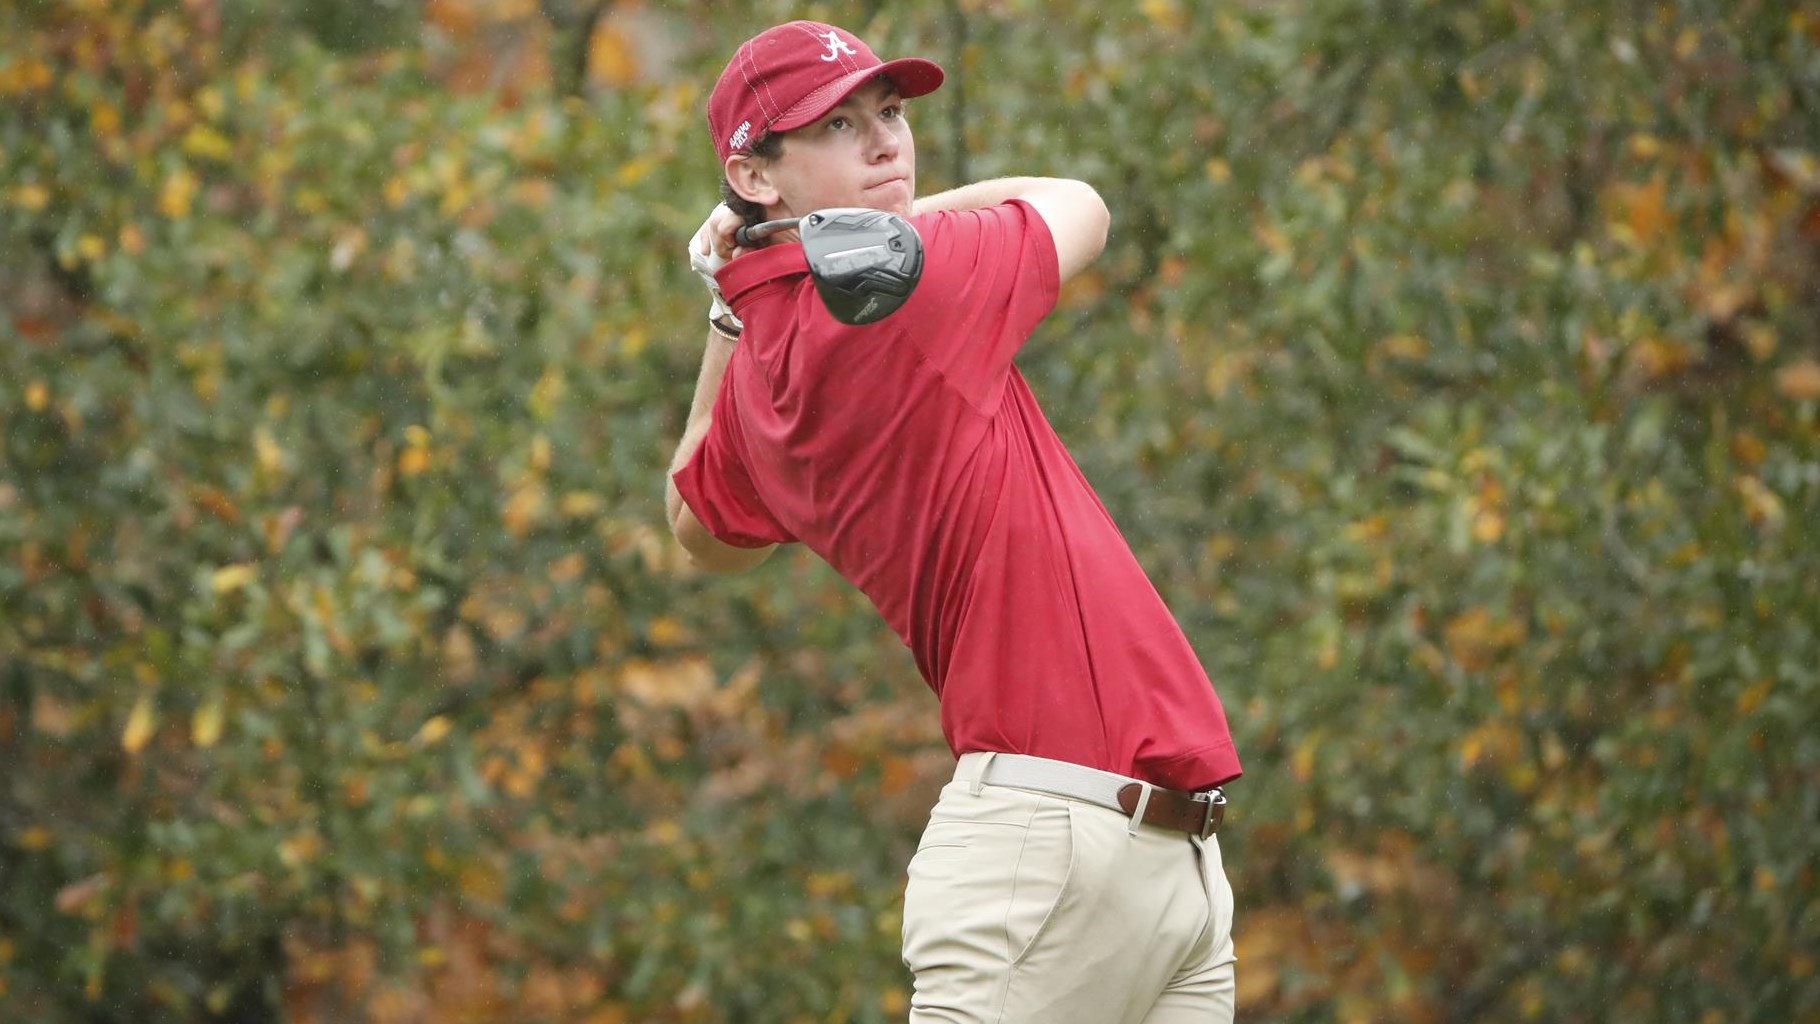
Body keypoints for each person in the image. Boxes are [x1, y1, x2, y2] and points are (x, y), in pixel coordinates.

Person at [665, 20, 1242, 1024]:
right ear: (753, 176)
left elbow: (693, 524)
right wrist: (865, 232)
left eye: (888, 113)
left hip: (1157, 870)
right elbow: (1075, 204)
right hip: (1046, 842)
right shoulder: (899, 297)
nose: (888, 143)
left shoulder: (766, 372)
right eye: (838, 127)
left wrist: (729, 305)